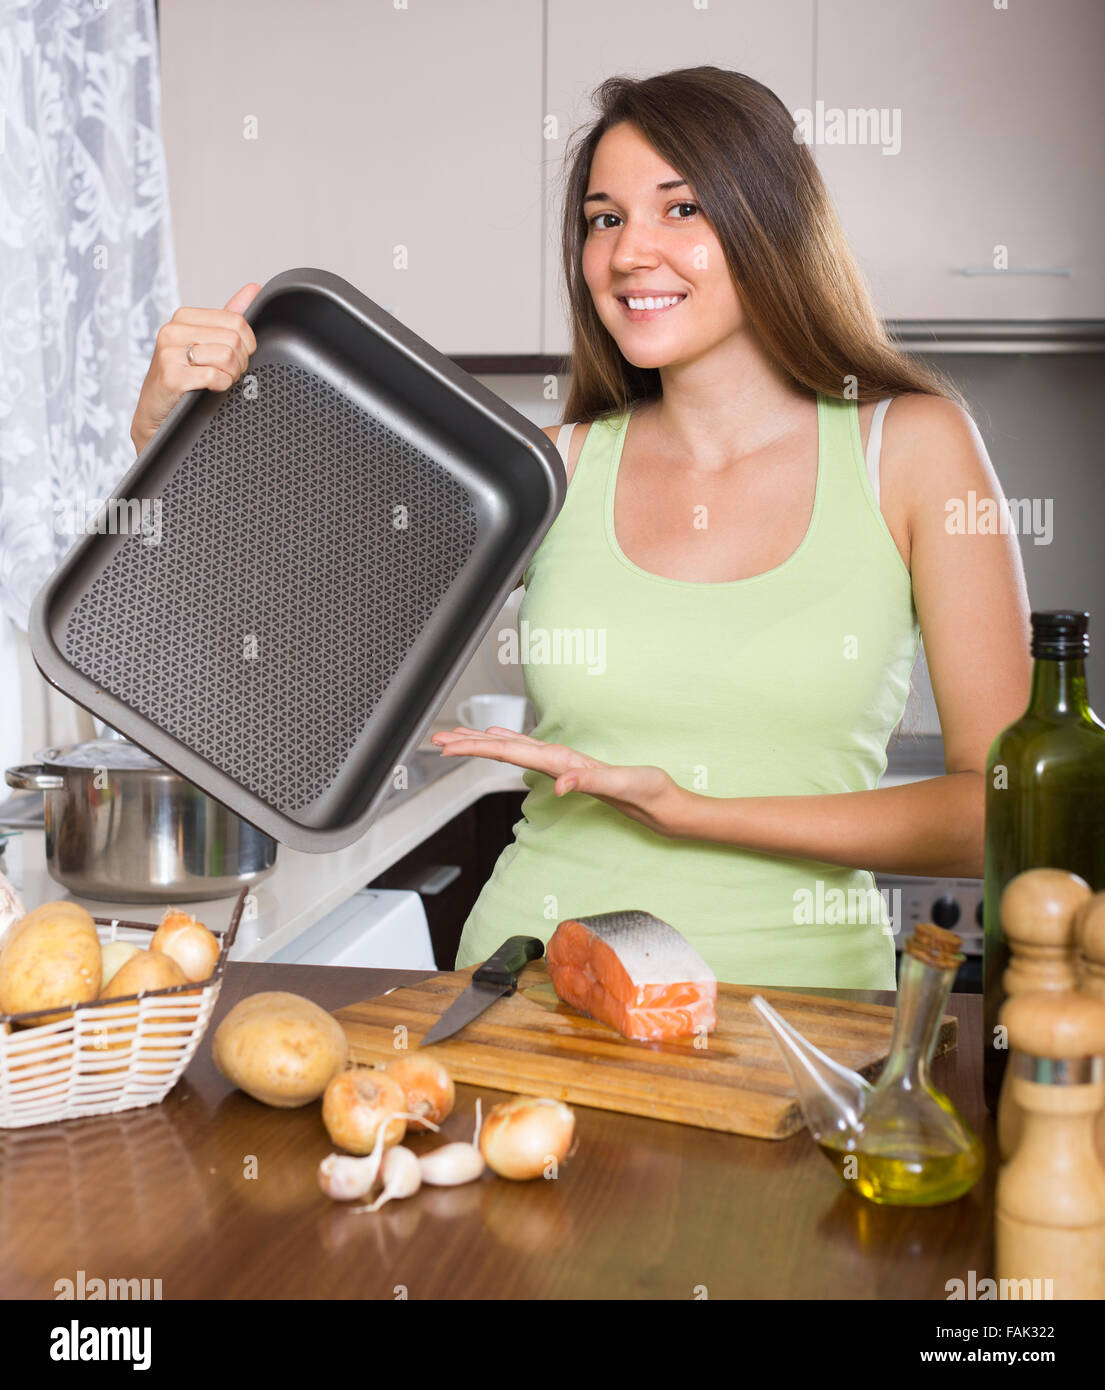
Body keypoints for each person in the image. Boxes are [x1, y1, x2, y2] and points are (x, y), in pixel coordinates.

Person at [130, 67, 1031, 990]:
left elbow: (1000, 814)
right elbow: (269, 636)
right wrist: (172, 439)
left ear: (772, 223)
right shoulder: (543, 469)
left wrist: (690, 811)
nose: (630, 252)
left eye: (679, 210)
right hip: (524, 994)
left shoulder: (910, 448)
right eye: (604, 219)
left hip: (800, 1014)